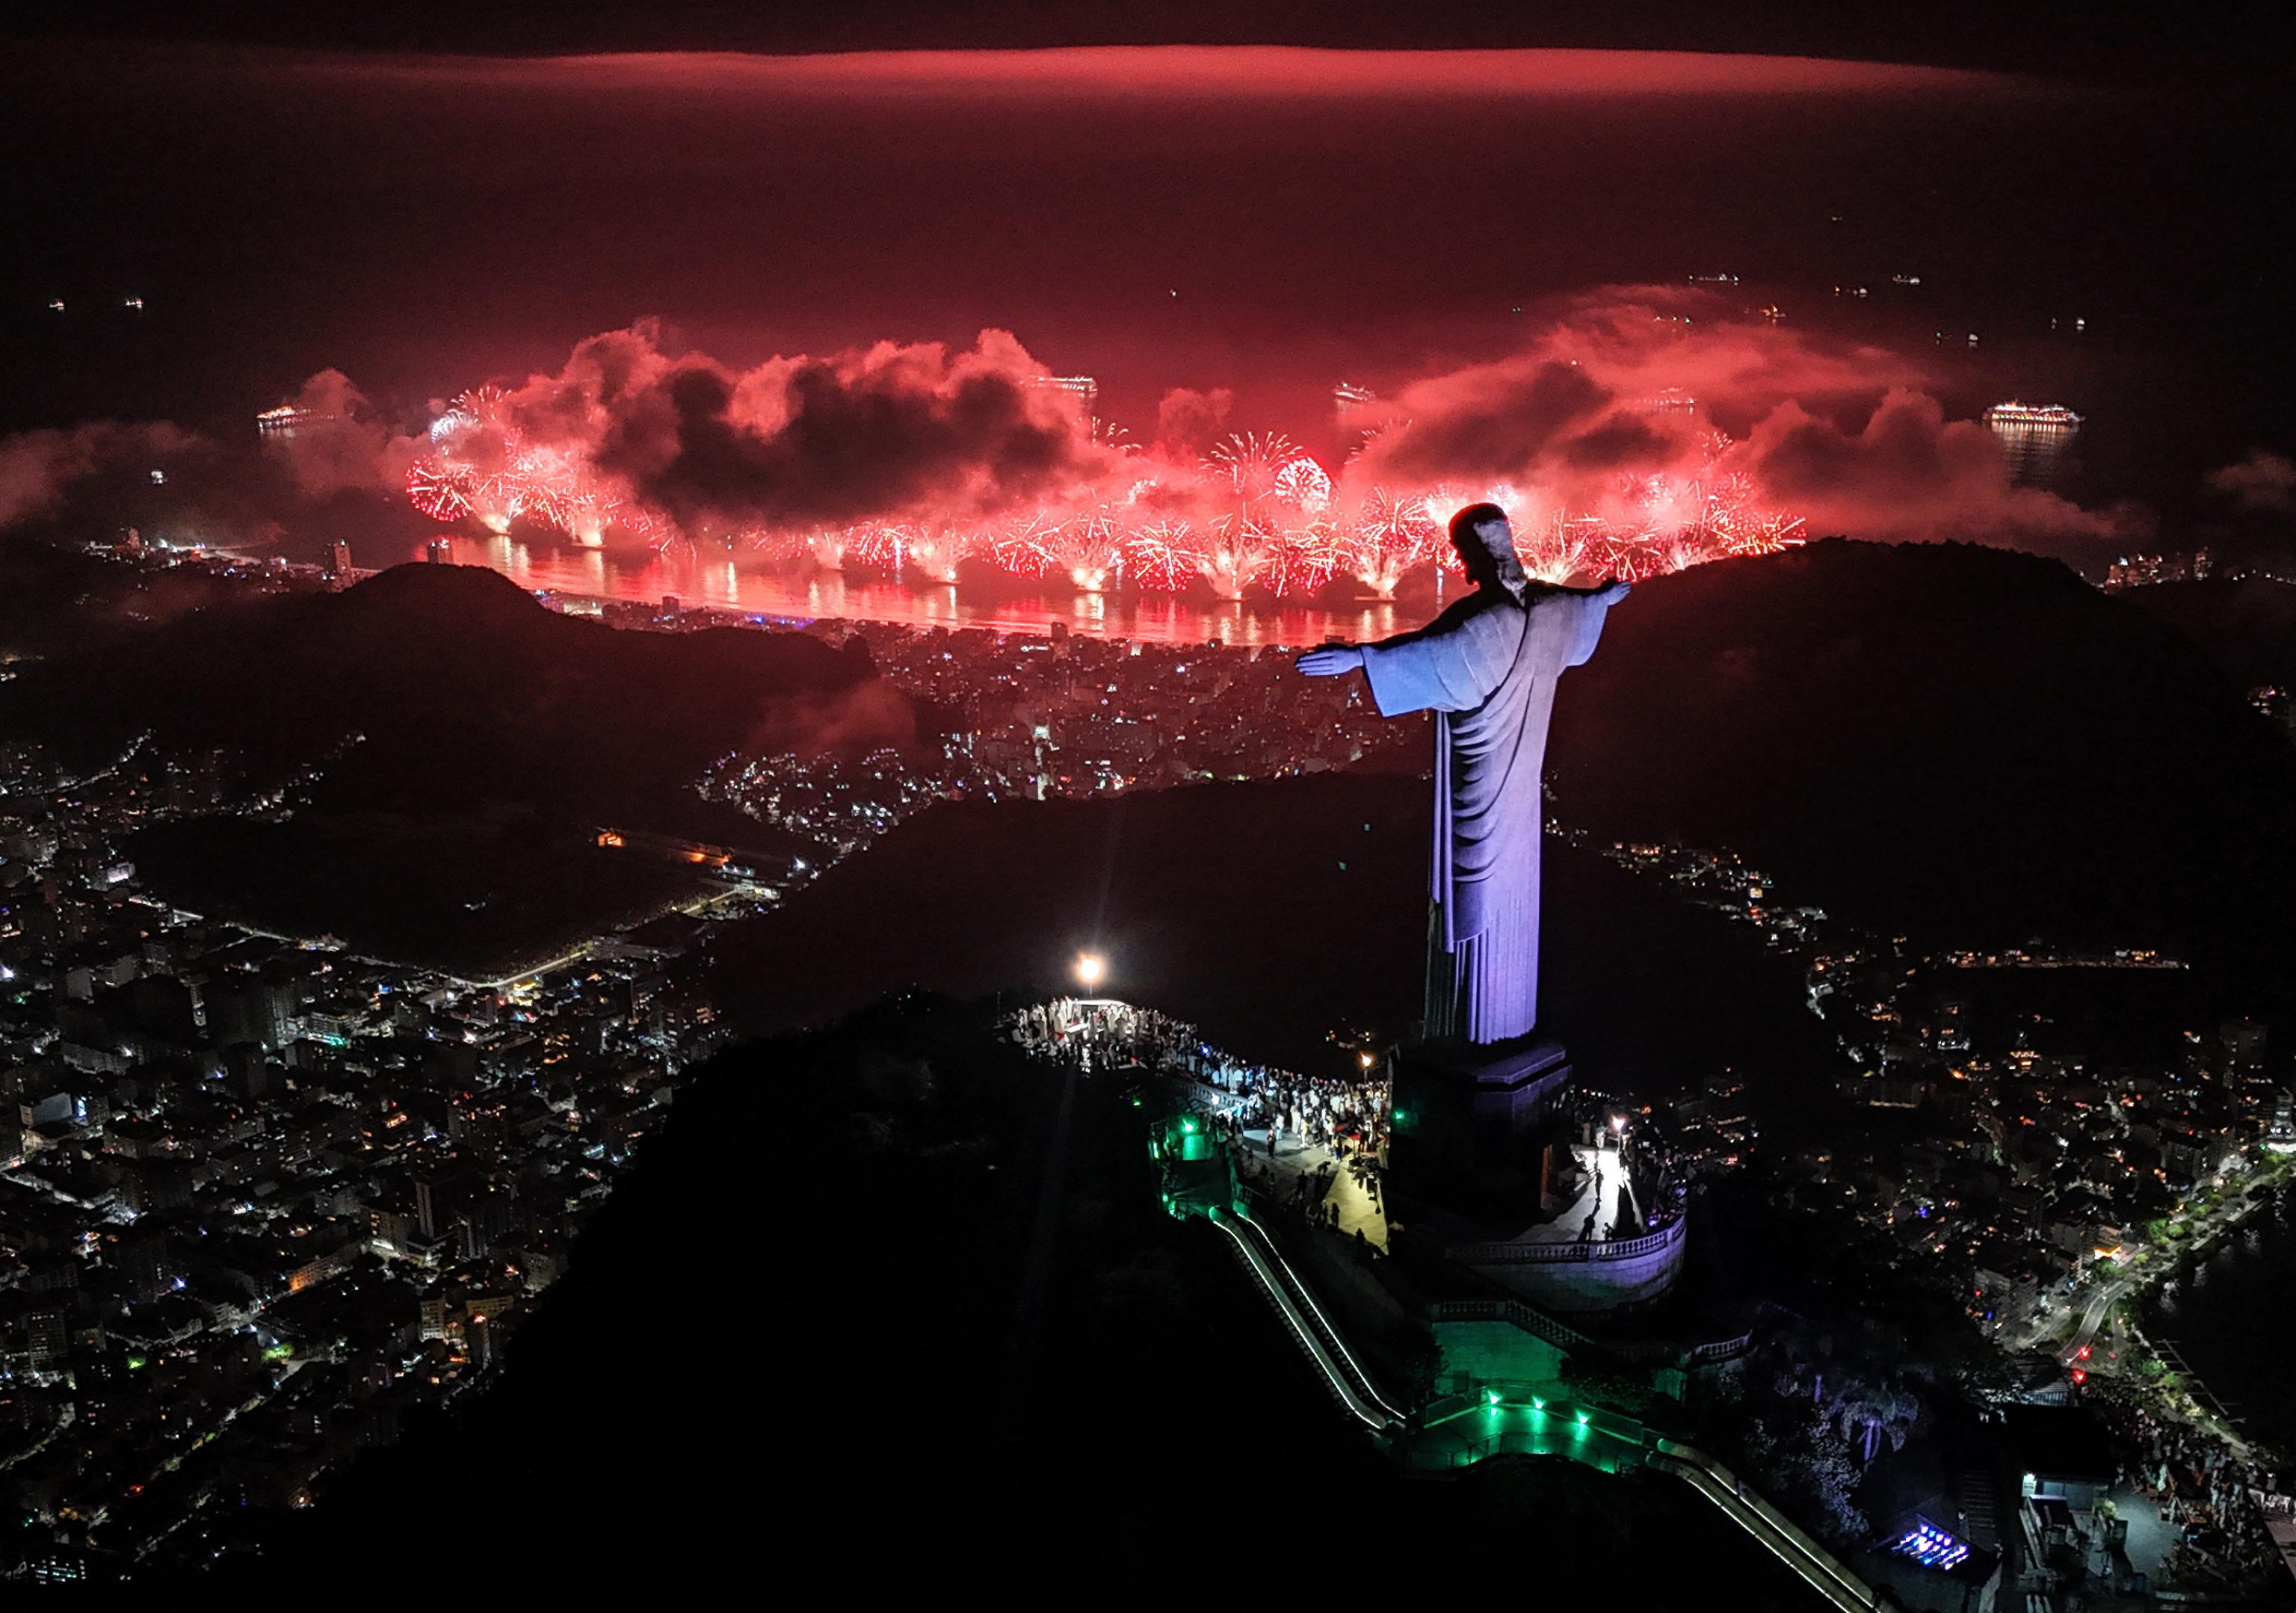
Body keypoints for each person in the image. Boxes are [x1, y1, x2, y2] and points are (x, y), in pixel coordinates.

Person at [1297, 504, 1628, 1044]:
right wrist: (1604, 600)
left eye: (1461, 554)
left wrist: (1359, 657)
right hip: (1523, 790)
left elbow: (1432, 654)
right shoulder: (1551, 607)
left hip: (1481, 782)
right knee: (1512, 893)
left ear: (1471, 556)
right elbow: (1583, 606)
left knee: (1470, 889)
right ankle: (1504, 1025)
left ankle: (1471, 1035)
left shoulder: (1483, 623)